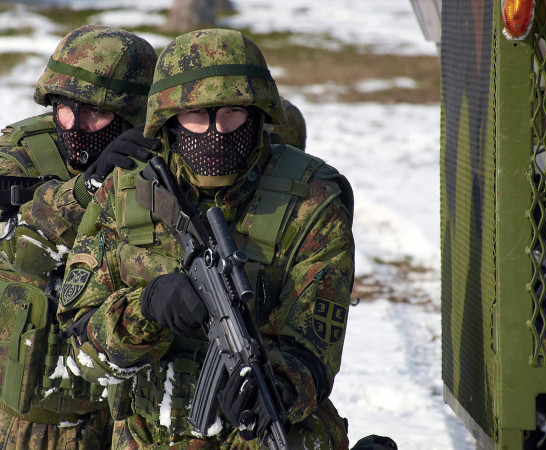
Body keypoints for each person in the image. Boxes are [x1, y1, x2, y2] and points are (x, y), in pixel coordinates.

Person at [57, 28, 355, 448]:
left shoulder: (312, 201)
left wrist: (280, 389)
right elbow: (82, 356)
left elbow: (315, 349)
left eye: (231, 112)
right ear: (168, 120)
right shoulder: (125, 191)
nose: (215, 132)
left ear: (258, 114)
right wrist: (147, 307)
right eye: (196, 115)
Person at [0, 25, 157, 449]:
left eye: (96, 112)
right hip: (39, 416)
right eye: (64, 108)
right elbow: (14, 246)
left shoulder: (156, 154)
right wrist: (85, 188)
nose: (75, 125)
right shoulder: (17, 154)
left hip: (137, 411)